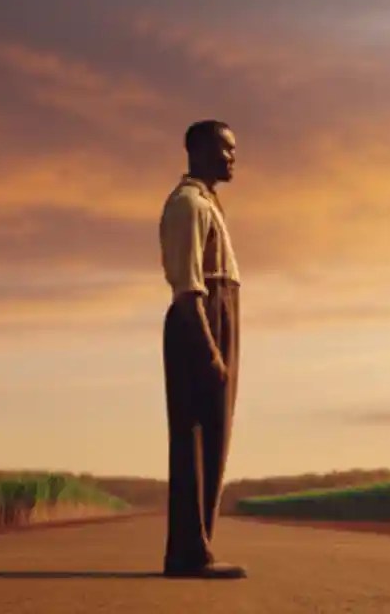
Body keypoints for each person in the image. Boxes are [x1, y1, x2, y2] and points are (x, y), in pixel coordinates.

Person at [157, 119, 246, 579]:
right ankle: (188, 554)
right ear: (198, 150)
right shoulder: (188, 205)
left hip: (219, 315)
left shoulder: (210, 204)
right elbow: (188, 287)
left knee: (215, 437)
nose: (233, 157)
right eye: (225, 149)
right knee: (193, 436)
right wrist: (210, 349)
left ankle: (198, 546)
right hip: (200, 319)